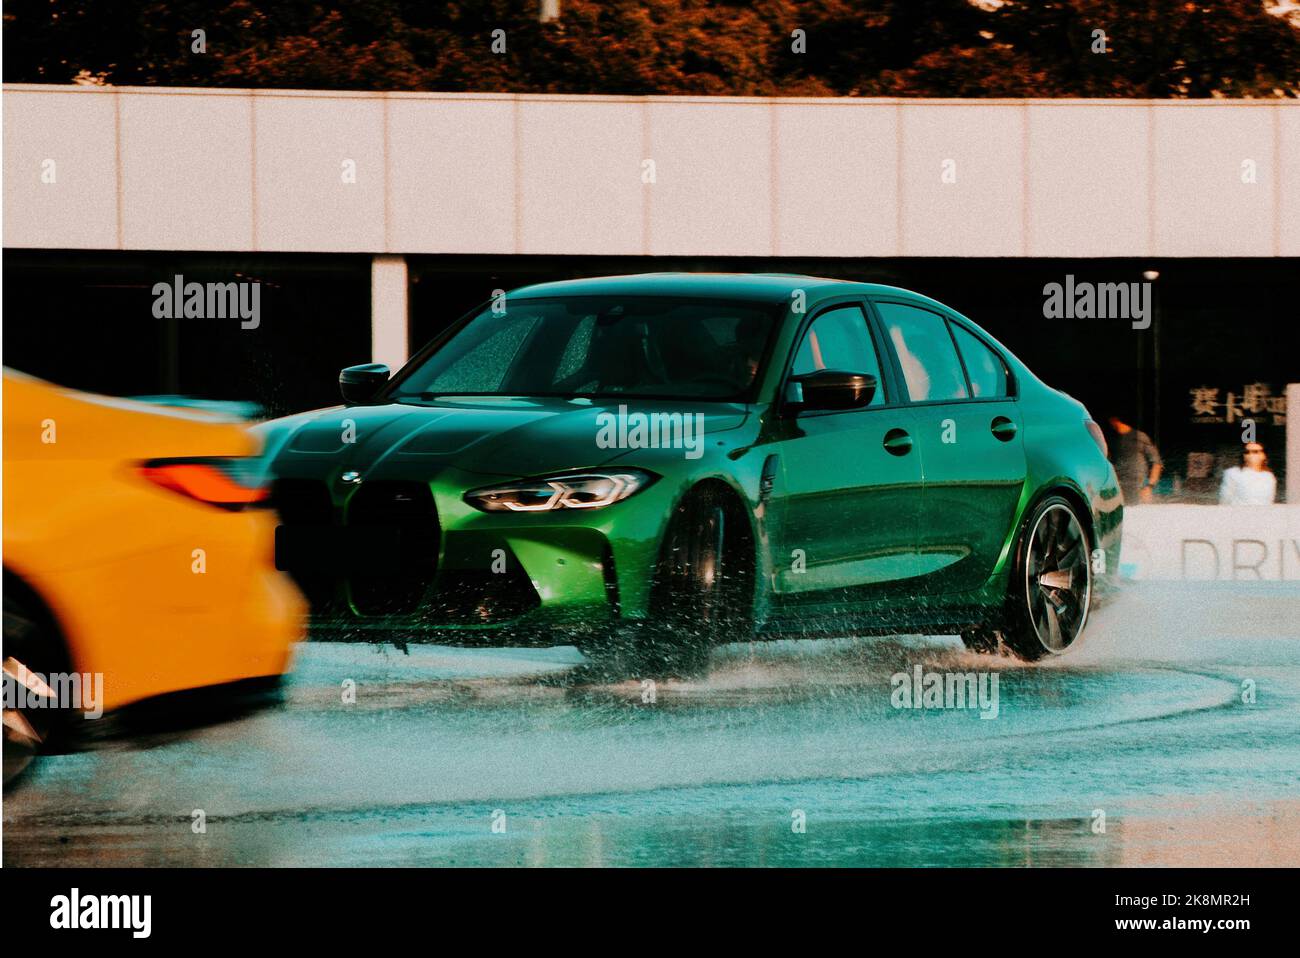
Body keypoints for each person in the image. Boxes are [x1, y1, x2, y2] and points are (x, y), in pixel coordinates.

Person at [1108, 415, 1163, 503]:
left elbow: (1157, 462)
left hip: (1138, 488)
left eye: (1111, 421)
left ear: (1115, 420)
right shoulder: (1111, 440)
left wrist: (1149, 487)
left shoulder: (1139, 437)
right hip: (1118, 487)